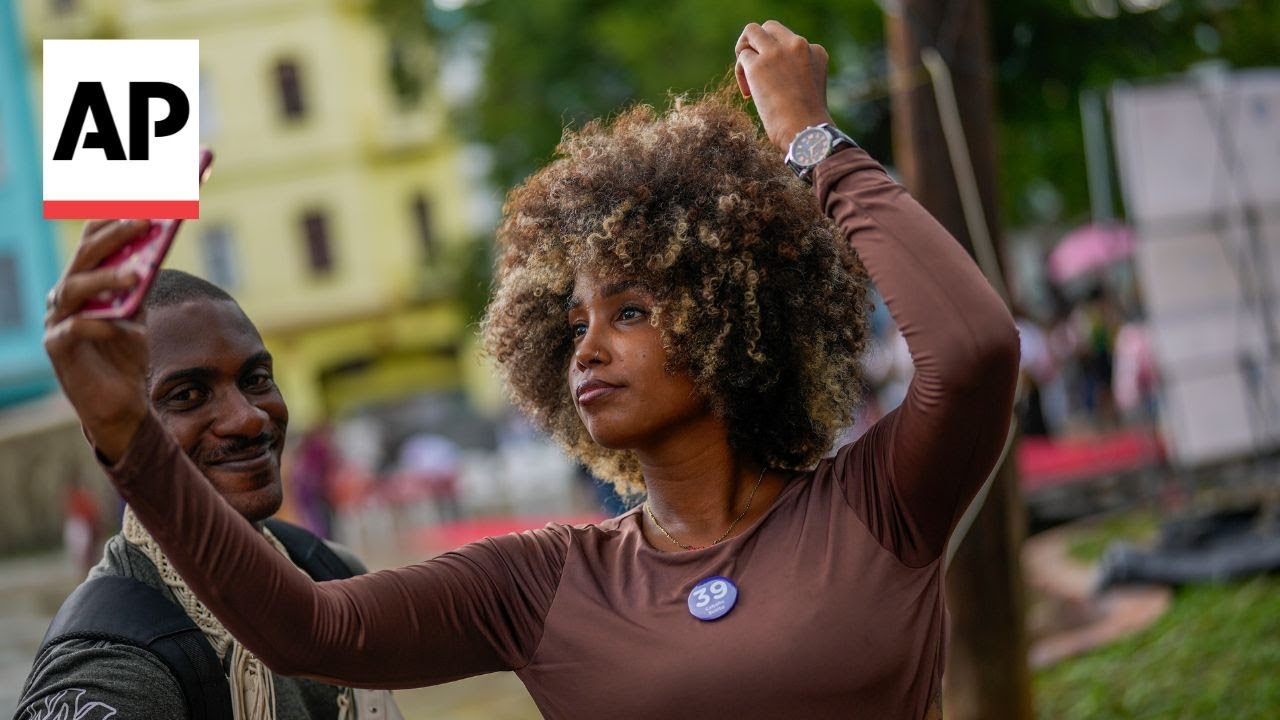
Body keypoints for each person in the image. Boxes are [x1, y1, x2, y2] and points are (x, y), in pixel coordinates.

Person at [41, 21, 1018, 719]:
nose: (585, 347)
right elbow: (309, 631)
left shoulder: (874, 508)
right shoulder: (542, 583)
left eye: (628, 312)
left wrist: (811, 144)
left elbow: (972, 353)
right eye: (572, 320)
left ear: (736, 321)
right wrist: (128, 435)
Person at [22, 270, 401, 720]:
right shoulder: (116, 663)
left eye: (256, 378)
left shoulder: (333, 572)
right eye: (187, 395)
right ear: (108, 431)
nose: (248, 418)